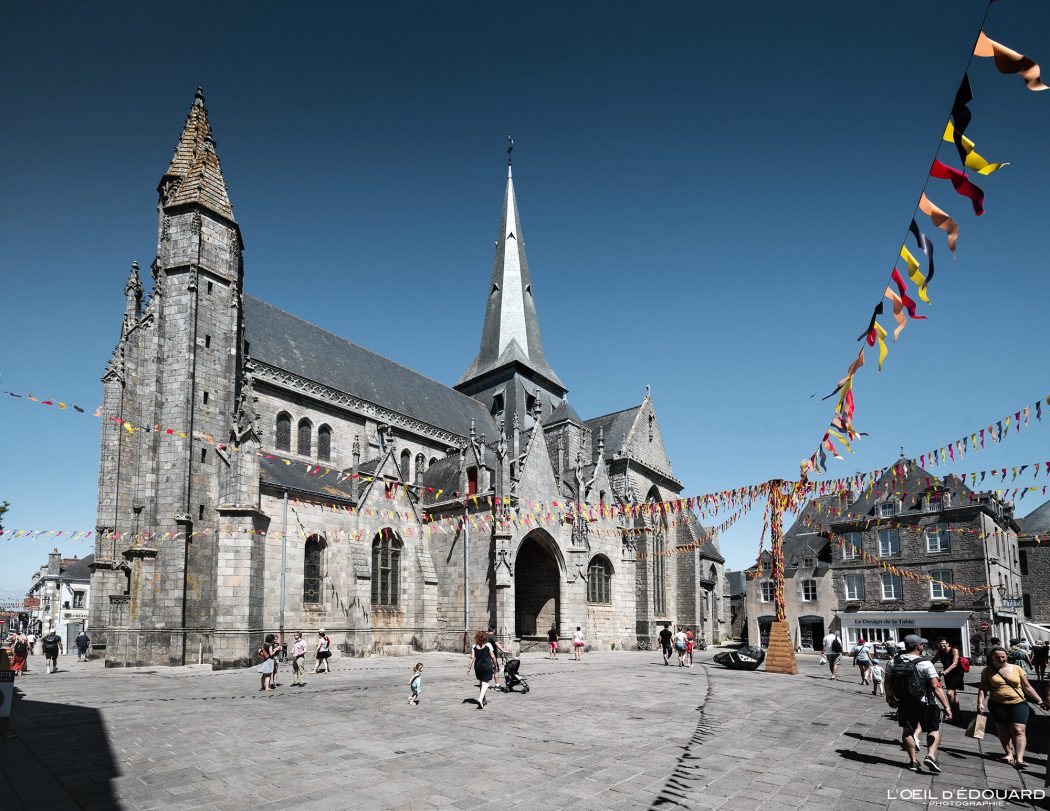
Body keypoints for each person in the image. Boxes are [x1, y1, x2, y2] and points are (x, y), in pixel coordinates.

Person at [885, 634, 952, 773]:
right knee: (933, 729)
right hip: (925, 702)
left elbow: (888, 682)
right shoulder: (925, 663)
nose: (923, 646)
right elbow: (936, 687)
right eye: (922, 644)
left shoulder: (893, 662)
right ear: (918, 647)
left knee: (907, 731)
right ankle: (930, 756)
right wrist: (946, 706)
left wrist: (889, 696)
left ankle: (913, 762)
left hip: (903, 701)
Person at [977, 646, 1050, 769]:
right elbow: (983, 688)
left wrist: (1039, 700)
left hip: (1018, 703)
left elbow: (1027, 687)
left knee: (1018, 730)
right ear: (992, 658)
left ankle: (1020, 758)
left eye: (1003, 656)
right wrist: (980, 703)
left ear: (1007, 657)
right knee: (1003, 730)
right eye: (997, 657)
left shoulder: (1017, 669)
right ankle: (1009, 754)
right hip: (997, 704)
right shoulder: (987, 671)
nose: (1001, 659)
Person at [933, 637, 963, 719]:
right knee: (953, 694)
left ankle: (952, 713)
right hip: (948, 674)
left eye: (943, 643)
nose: (942, 645)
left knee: (949, 693)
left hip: (957, 673)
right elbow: (933, 661)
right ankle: (957, 713)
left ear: (947, 644)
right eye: (940, 644)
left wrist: (946, 671)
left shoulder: (954, 650)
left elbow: (955, 663)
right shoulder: (939, 652)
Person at [466, 630, 497, 709]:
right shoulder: (488, 645)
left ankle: (483, 699)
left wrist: (469, 668)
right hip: (487, 666)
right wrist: (495, 665)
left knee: (481, 682)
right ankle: (480, 699)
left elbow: (472, 658)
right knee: (486, 683)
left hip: (478, 667)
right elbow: (493, 657)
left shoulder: (474, 646)